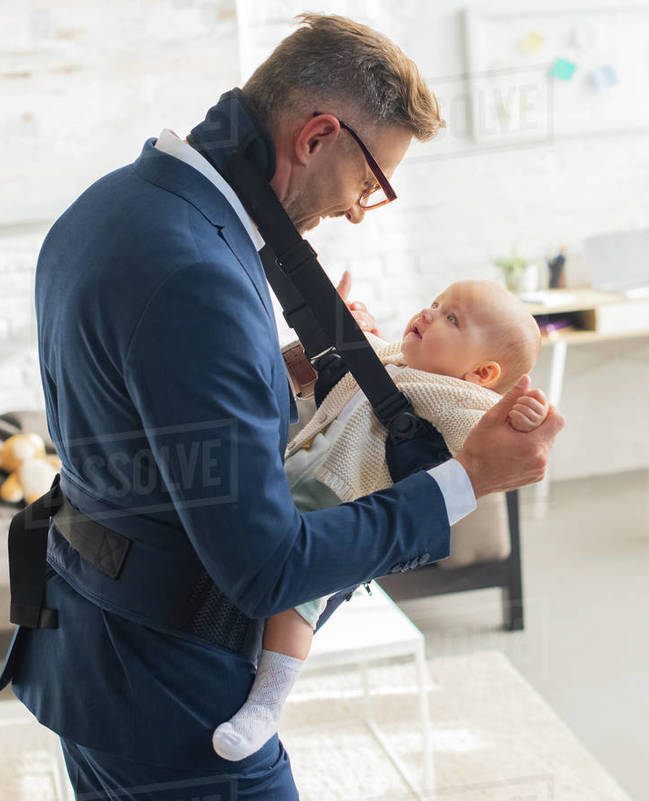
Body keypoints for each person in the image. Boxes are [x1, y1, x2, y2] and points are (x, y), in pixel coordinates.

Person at [0, 14, 564, 800]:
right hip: (173, 704)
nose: (363, 210)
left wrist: (271, 366)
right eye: (371, 183)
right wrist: (468, 478)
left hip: (92, 660)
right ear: (317, 136)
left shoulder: (113, 206)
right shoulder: (198, 269)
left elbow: (140, 401)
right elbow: (269, 568)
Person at [214, 280, 549, 761]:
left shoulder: (456, 397)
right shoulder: (396, 355)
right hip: (289, 473)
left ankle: (265, 705)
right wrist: (344, 320)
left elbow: (485, 440)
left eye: (452, 319)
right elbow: (352, 351)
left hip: (339, 503)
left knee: (296, 603)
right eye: (436, 303)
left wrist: (518, 418)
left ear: (481, 373)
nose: (430, 313)